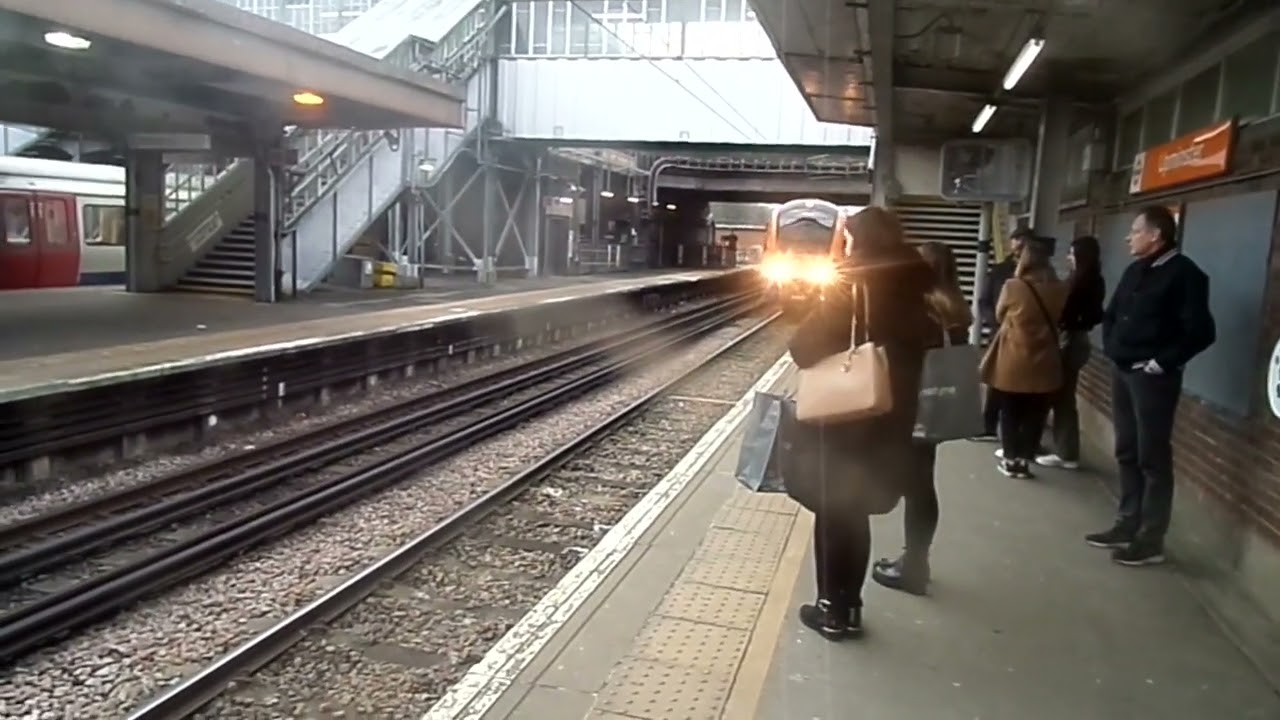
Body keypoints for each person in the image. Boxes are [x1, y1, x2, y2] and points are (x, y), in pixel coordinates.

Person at [787, 206, 936, 639]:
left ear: (861, 241)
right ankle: (848, 607)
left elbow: (804, 347)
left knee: (835, 511)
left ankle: (833, 609)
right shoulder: (919, 285)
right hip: (893, 414)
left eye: (849, 239)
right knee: (856, 511)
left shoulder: (852, 285)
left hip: (847, 417)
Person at [1086, 206, 1215, 566]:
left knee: (1152, 457)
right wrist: (1112, 347)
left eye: (1135, 231)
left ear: (1156, 235)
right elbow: (1111, 315)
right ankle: (1127, 522)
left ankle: (1150, 539)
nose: (1129, 237)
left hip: (1152, 378)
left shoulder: (1185, 275)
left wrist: (1161, 362)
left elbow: (1202, 331)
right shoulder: (1134, 271)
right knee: (1126, 449)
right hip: (1122, 370)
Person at [871, 241, 973, 596]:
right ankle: (916, 560)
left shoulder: (921, 309)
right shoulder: (954, 307)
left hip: (911, 407)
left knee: (915, 487)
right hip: (936, 406)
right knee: (922, 485)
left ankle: (913, 567)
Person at [981, 239, 1068, 479]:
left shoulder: (1013, 286)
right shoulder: (1060, 288)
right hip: (1046, 357)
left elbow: (1000, 314)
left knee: (1010, 410)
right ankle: (1024, 457)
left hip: (1014, 356)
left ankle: (1010, 459)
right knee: (1036, 412)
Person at [1036, 236, 1105, 470]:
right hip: (1080, 341)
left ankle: (1066, 452)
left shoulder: (1076, 283)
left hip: (1068, 341)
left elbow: (1062, 312)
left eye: (1072, 254)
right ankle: (1066, 450)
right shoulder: (1097, 281)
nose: (1068, 258)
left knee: (1060, 396)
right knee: (1063, 396)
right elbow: (1097, 315)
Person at [972, 227, 1036, 442]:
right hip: (1000, 334)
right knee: (995, 381)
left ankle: (1015, 433)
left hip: (1025, 337)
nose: (1019, 247)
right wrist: (996, 322)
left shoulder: (1039, 274)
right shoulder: (1000, 270)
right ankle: (989, 425)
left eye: (1023, 243)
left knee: (1018, 385)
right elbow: (984, 301)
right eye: (1016, 241)